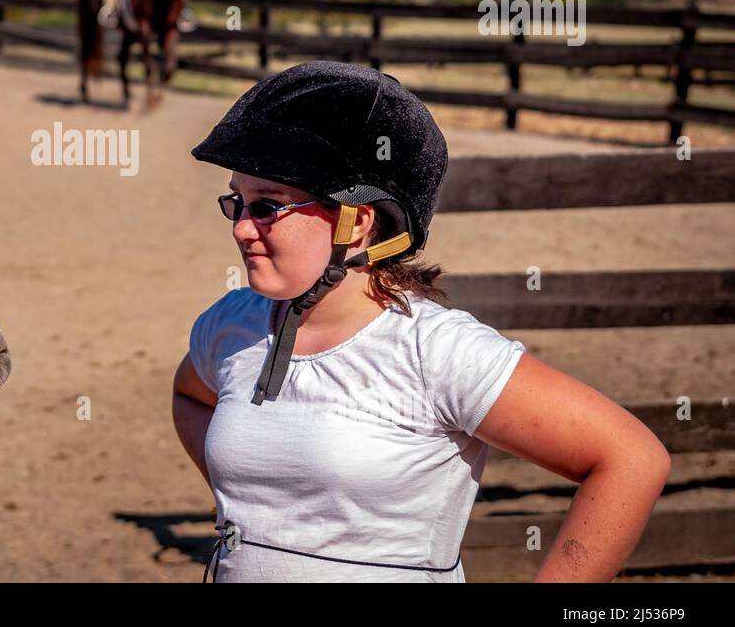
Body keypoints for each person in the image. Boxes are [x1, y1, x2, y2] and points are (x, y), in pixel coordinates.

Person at [173, 61, 671, 582]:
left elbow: (631, 459)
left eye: (269, 208)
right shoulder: (233, 324)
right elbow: (189, 394)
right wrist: (250, 515)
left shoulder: (436, 352)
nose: (243, 230)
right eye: (238, 202)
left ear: (358, 224)